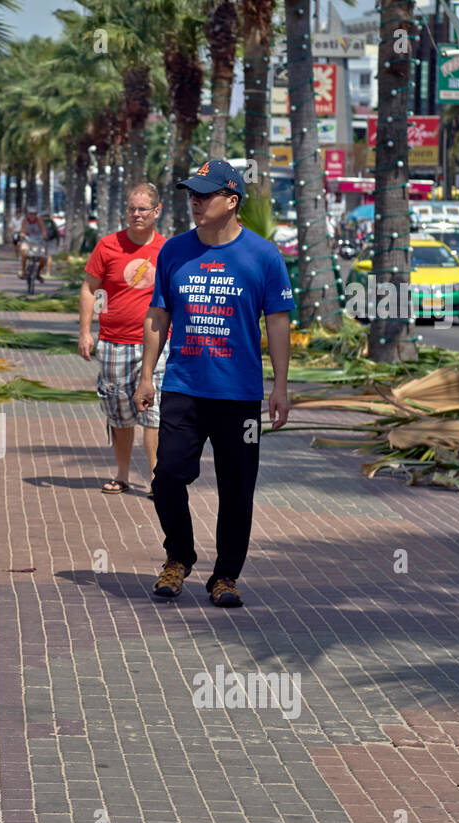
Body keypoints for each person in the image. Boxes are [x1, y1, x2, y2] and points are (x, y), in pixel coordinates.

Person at [133, 159, 292, 609]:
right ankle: (178, 556)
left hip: (239, 395)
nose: (196, 201)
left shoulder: (263, 256)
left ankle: (225, 576)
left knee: (237, 488)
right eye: (192, 194)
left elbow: (277, 324)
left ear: (232, 200)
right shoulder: (174, 251)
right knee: (166, 478)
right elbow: (158, 315)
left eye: (205, 194)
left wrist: (280, 386)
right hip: (183, 386)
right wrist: (147, 375)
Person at [78, 183, 167, 497]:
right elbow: (92, 288)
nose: (137, 214)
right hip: (114, 343)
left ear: (157, 211)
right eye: (132, 209)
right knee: (120, 412)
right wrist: (87, 331)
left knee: (153, 411)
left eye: (143, 209)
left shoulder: (167, 249)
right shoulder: (108, 246)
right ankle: (123, 474)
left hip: (155, 345)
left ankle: (158, 478)